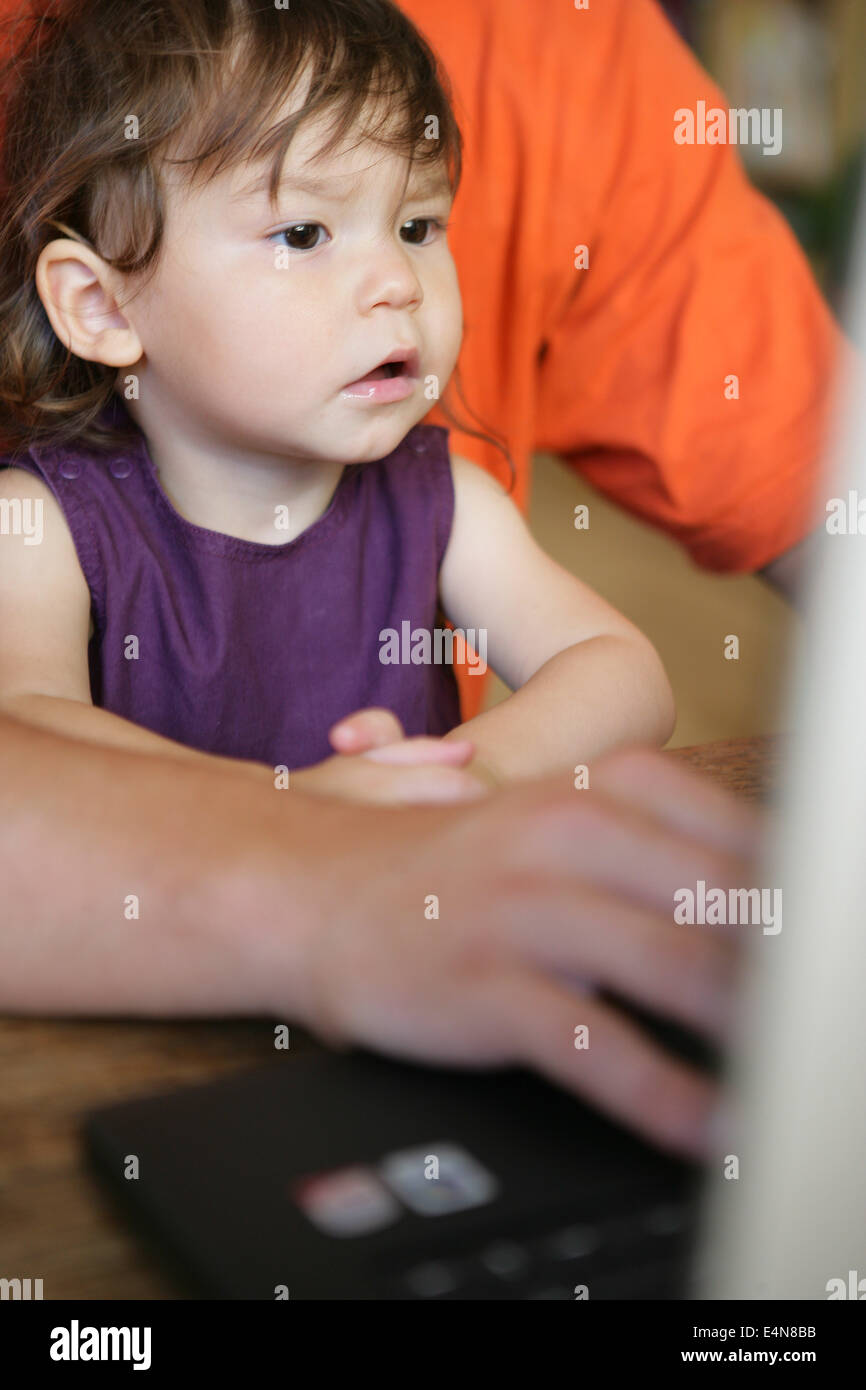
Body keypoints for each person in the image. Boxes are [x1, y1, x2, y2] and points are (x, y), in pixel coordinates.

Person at [0, 0, 837, 1157]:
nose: (395, 282)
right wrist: (296, 828)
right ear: (100, 306)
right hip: (138, 1027)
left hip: (427, 992)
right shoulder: (39, 525)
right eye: (304, 234)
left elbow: (619, 670)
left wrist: (463, 774)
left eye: (418, 223)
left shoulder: (444, 501)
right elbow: (27, 727)